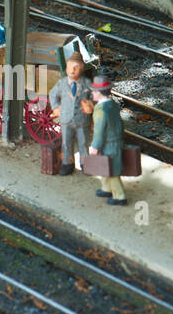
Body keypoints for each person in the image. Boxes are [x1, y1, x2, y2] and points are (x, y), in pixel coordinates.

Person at [48, 50, 91, 175]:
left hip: (82, 119)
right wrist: (55, 107)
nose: (72, 70)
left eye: (76, 67)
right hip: (66, 118)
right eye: (70, 66)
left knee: (83, 143)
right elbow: (52, 94)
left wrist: (91, 105)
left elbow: (95, 96)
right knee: (66, 143)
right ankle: (68, 163)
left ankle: (85, 164)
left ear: (81, 68)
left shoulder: (86, 84)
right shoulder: (62, 83)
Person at [89, 70, 126, 206]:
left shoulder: (100, 110)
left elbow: (99, 130)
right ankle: (106, 188)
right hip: (115, 141)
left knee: (112, 171)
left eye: (94, 91)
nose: (92, 93)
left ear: (99, 93)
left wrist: (95, 146)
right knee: (105, 166)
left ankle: (120, 196)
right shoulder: (113, 105)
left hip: (109, 143)